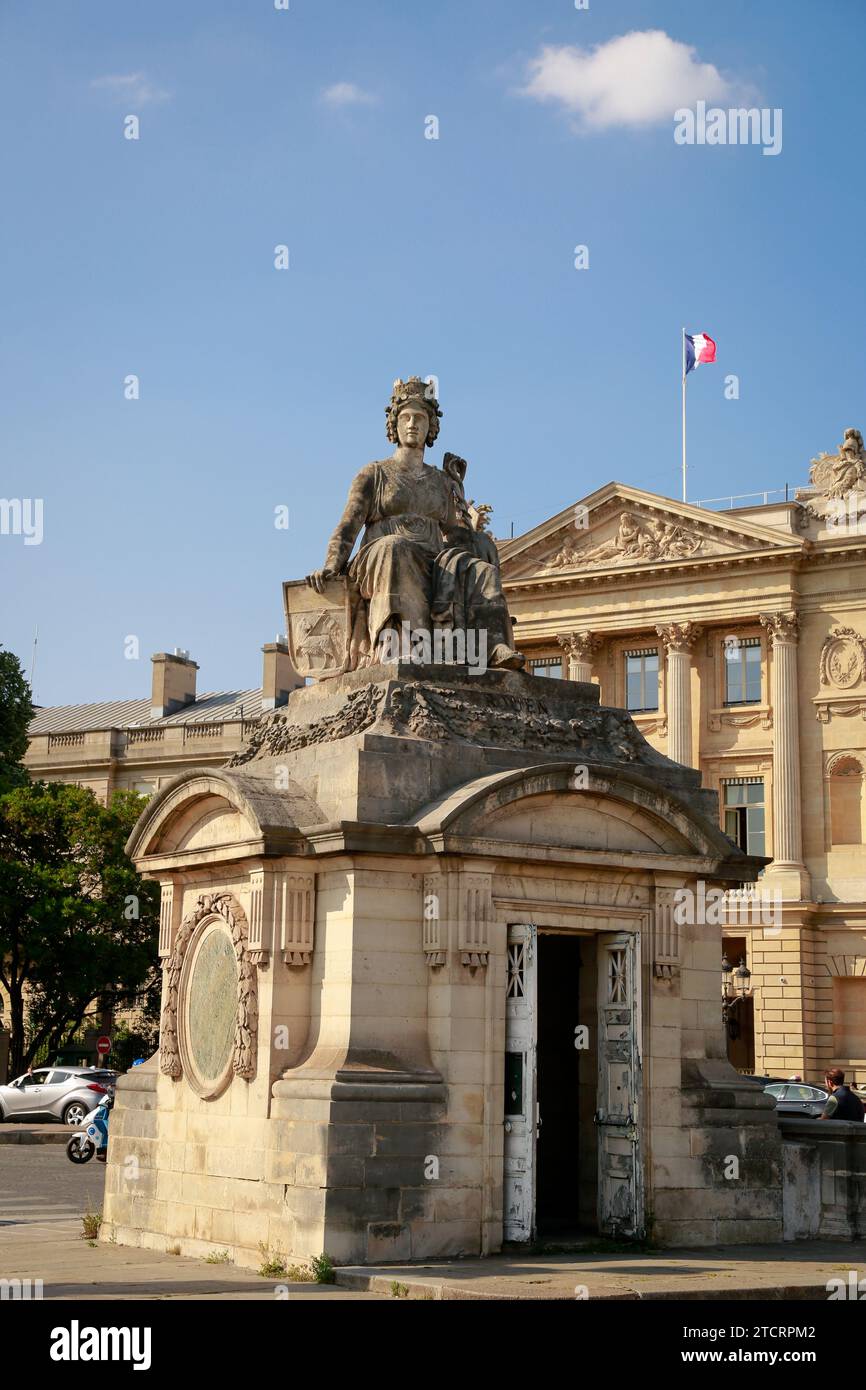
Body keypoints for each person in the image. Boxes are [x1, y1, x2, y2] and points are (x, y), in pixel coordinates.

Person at [306, 376, 524, 671]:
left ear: (431, 427)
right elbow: (348, 527)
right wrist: (332, 566)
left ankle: (490, 646)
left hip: (433, 559)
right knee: (397, 548)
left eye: (420, 418)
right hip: (380, 558)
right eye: (406, 417)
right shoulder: (374, 474)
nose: (413, 424)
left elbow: (456, 534)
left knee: (479, 568)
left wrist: (458, 494)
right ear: (394, 425)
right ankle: (398, 645)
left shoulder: (440, 481)